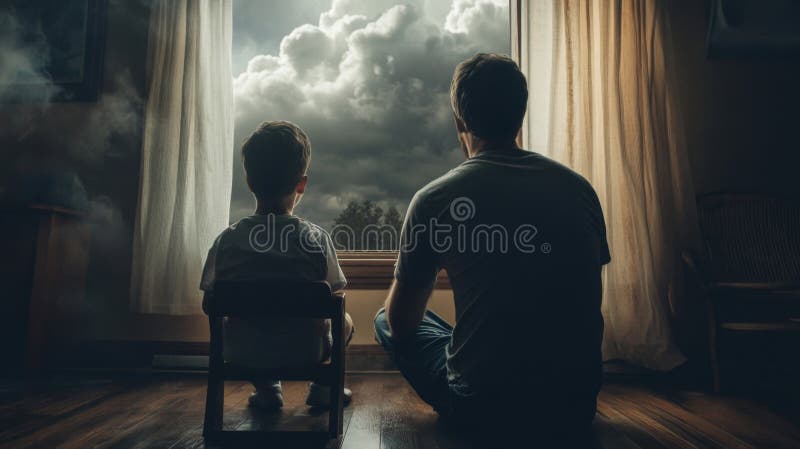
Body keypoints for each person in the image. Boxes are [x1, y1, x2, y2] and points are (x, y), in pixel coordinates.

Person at [374, 53, 610, 446]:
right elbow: (586, 297)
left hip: (483, 406)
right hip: (575, 404)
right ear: (520, 116)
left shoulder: (435, 198)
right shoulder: (579, 189)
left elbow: (402, 324)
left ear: (459, 121)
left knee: (384, 319)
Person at [200, 121, 354, 411]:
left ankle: (268, 390)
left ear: (249, 181)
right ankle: (323, 388)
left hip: (242, 353)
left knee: (251, 329)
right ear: (301, 184)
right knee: (344, 319)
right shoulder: (315, 239)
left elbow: (210, 304)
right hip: (305, 351)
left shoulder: (227, 241)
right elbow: (333, 298)